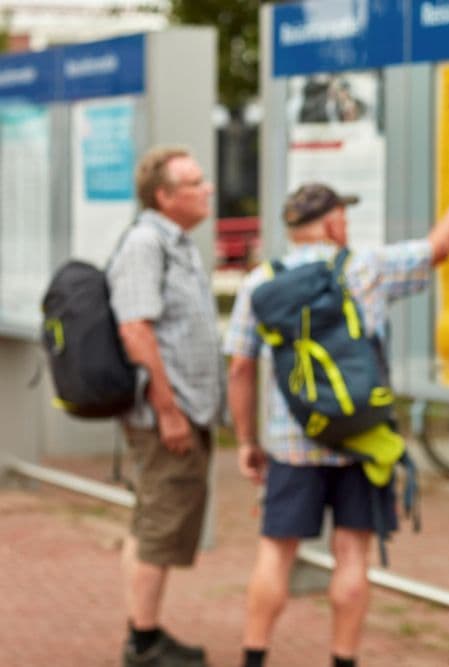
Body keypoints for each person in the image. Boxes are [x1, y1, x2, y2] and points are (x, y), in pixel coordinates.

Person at [225, 174, 449, 667]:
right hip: (362, 440)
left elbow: (240, 367)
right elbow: (438, 248)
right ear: (331, 223)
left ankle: (254, 657)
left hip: (293, 443)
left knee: (275, 552)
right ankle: (343, 659)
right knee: (352, 555)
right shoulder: (364, 268)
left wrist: (245, 440)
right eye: (341, 214)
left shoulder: (260, 282)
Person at [108, 146, 224, 667]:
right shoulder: (146, 244)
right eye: (195, 183)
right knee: (159, 526)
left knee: (153, 522)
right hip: (166, 416)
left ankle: (144, 630)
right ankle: (144, 643)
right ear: (165, 195)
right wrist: (169, 412)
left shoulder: (176, 243)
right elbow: (136, 328)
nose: (207, 189)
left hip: (183, 410)